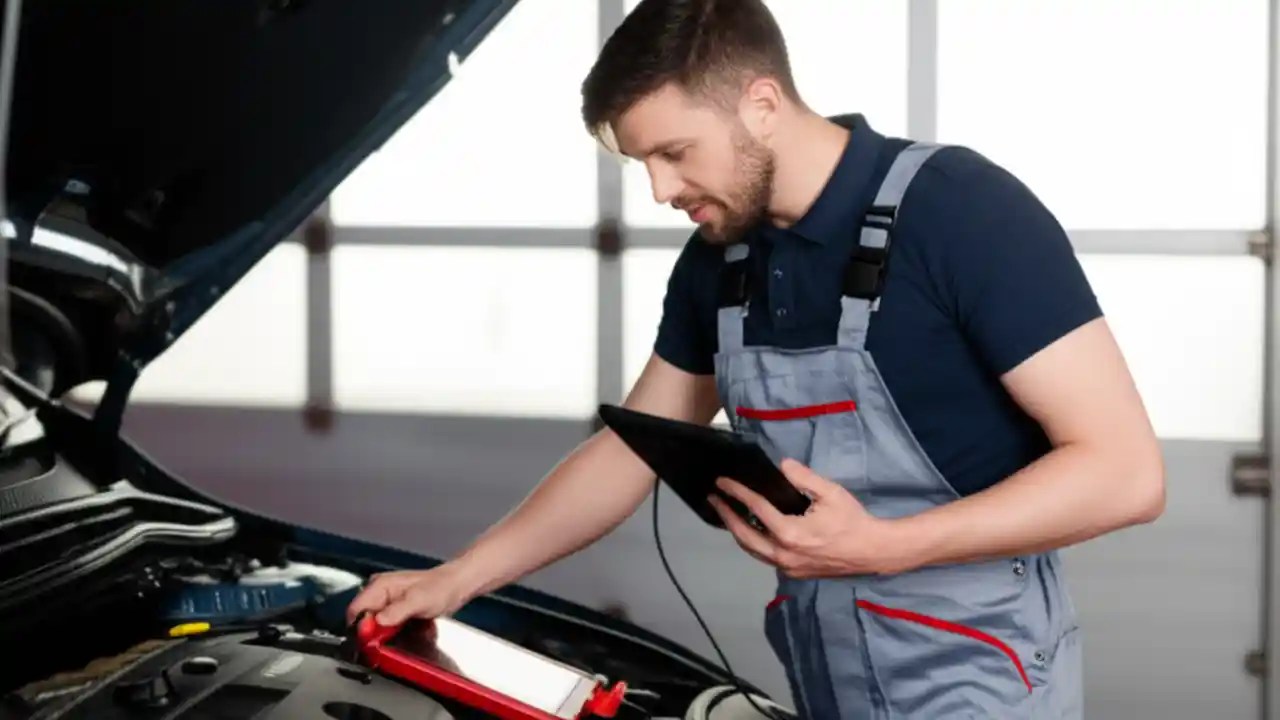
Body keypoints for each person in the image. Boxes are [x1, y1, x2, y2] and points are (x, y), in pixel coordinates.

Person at [348, 0, 1166, 716]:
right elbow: (627, 453)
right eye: (642, 163)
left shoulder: (960, 211)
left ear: (762, 104)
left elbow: (1126, 473)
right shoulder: (719, 261)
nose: (660, 190)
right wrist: (458, 579)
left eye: (675, 152)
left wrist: (887, 546)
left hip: (983, 681)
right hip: (826, 677)